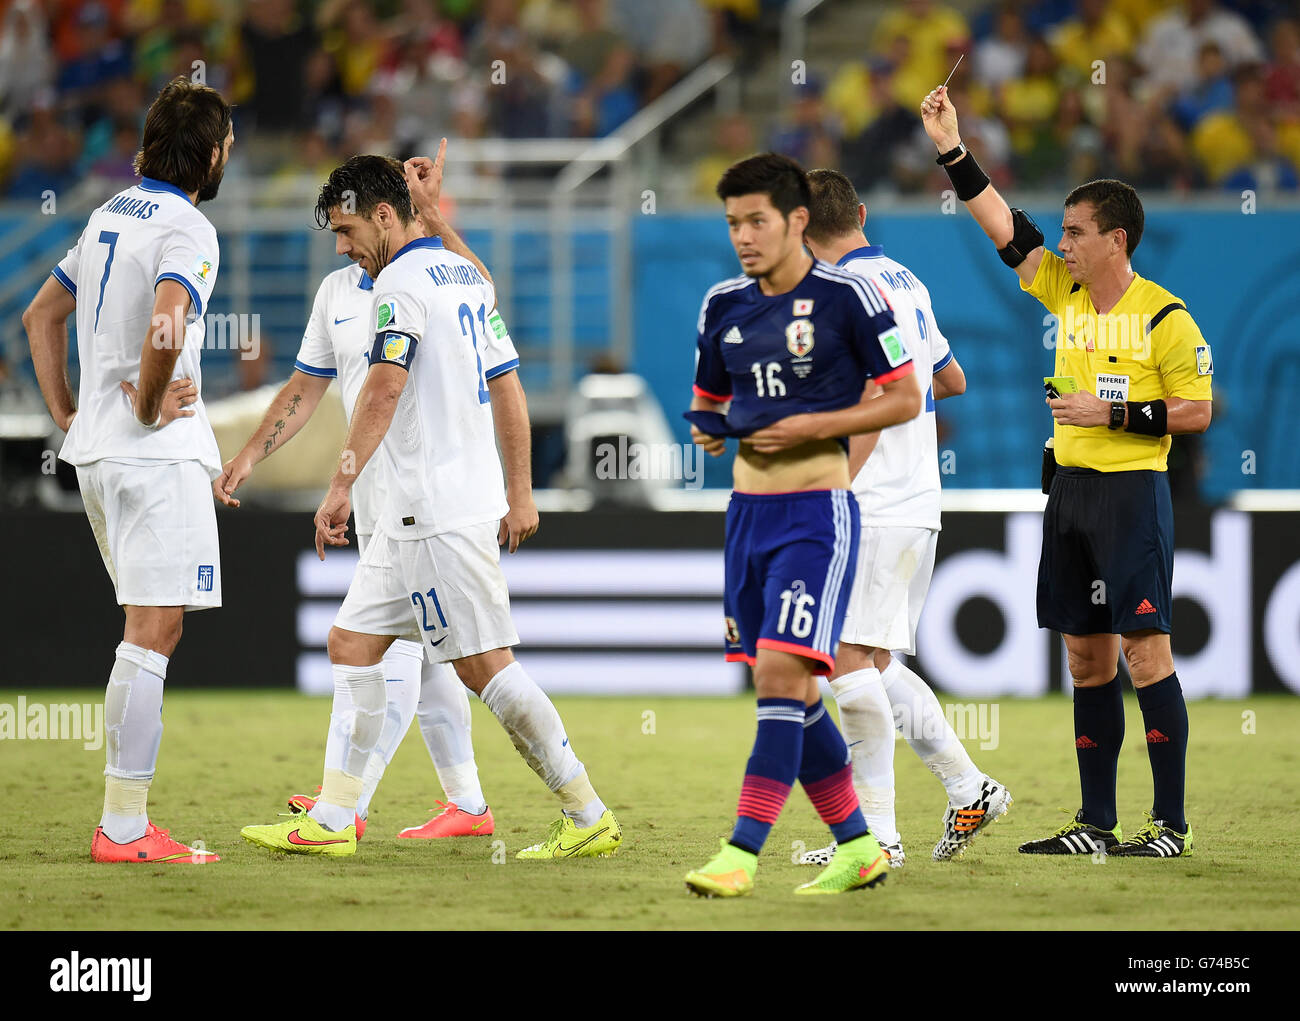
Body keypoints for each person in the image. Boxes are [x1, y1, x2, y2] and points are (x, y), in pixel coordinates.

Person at [239, 155, 618, 859]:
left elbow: (383, 387)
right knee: (351, 643)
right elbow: (508, 385)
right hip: (427, 509)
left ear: (386, 214)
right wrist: (517, 488)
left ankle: (585, 808)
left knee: (486, 670)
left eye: (349, 230)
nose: (343, 247)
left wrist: (341, 481)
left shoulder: (402, 285)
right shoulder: (462, 273)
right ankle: (333, 817)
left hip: (433, 510)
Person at [921, 84, 1213, 857]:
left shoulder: (1166, 318)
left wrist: (1108, 414)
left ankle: (1170, 826)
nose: (1064, 242)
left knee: (1144, 652)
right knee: (1085, 657)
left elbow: (1195, 411)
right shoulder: (1064, 288)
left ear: (1116, 240)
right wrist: (952, 146)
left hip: (1132, 496)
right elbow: (1000, 224)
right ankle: (1095, 823)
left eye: (1077, 232)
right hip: (1071, 493)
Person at [684, 153, 923, 897]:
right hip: (746, 514)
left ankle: (741, 851)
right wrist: (709, 427)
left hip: (817, 515)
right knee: (797, 689)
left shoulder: (851, 297)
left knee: (782, 677)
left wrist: (817, 423)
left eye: (756, 221)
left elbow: (906, 396)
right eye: (732, 224)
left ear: (795, 221)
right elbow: (709, 398)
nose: (743, 237)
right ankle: (858, 844)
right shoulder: (723, 303)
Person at [23, 77, 233, 864]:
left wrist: (69, 414)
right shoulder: (188, 226)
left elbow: (39, 314)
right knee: (150, 634)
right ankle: (122, 825)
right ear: (210, 155)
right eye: (228, 145)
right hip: (151, 454)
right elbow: (170, 315)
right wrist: (146, 404)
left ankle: (125, 819)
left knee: (150, 629)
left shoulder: (109, 214)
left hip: (97, 456)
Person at [795, 168, 1011, 869]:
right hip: (918, 500)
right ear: (860, 211)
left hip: (873, 502)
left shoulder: (842, 296)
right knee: (871, 661)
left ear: (801, 226)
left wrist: (830, 487)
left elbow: (871, 392)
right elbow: (951, 380)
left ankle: (875, 841)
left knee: (845, 662)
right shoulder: (906, 281)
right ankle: (966, 784)